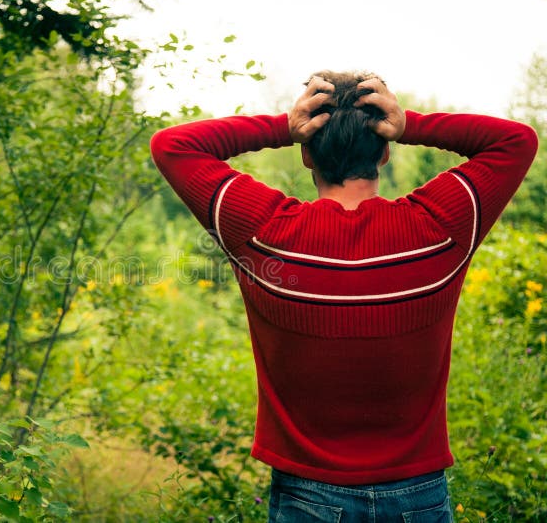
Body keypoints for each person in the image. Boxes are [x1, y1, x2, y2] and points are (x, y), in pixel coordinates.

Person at [150, 71, 538, 522]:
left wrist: (282, 125)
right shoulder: (439, 230)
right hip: (418, 493)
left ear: (306, 155)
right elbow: (516, 141)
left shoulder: (265, 234)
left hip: (306, 496)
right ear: (386, 151)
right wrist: (410, 123)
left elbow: (172, 146)